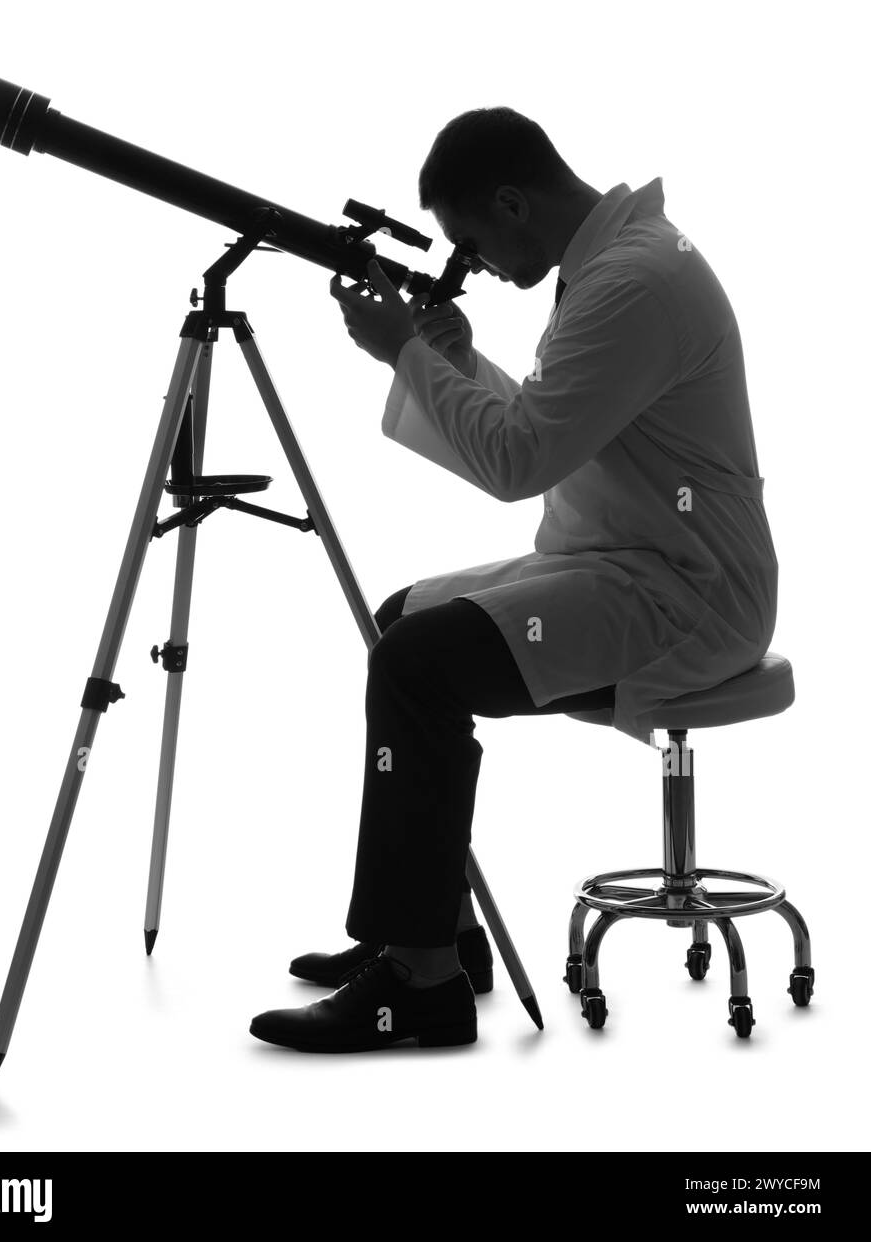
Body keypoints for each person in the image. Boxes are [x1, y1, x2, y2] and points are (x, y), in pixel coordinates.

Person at [248, 106, 779, 1053]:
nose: (475, 264)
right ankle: (437, 929)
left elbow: (515, 463)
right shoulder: (612, 266)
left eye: (472, 241)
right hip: (624, 561)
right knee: (401, 623)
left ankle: (419, 986)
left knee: (417, 664)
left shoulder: (630, 285)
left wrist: (406, 351)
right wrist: (449, 357)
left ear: (509, 201)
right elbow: (548, 428)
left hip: (686, 594)